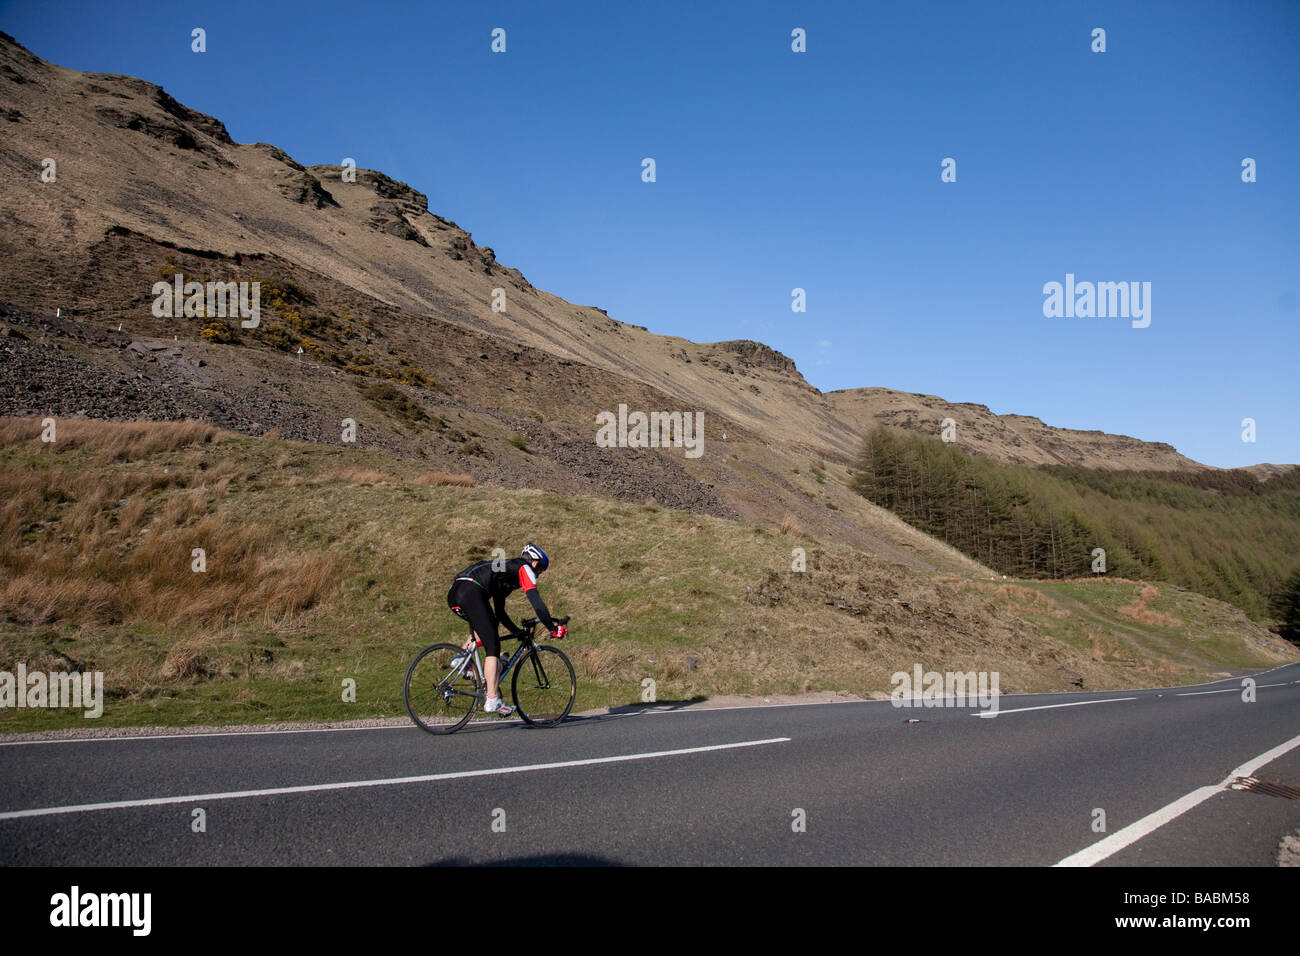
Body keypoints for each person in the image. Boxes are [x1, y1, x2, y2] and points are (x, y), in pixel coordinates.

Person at [445, 543, 566, 716]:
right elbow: (536, 602)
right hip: (471, 591)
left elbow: (500, 613)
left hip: (456, 592)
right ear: (534, 562)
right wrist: (552, 628)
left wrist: (516, 631)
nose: (538, 574)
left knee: (489, 625)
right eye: (540, 570)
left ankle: (462, 658)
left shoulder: (505, 575)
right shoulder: (524, 568)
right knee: (493, 647)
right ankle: (492, 699)